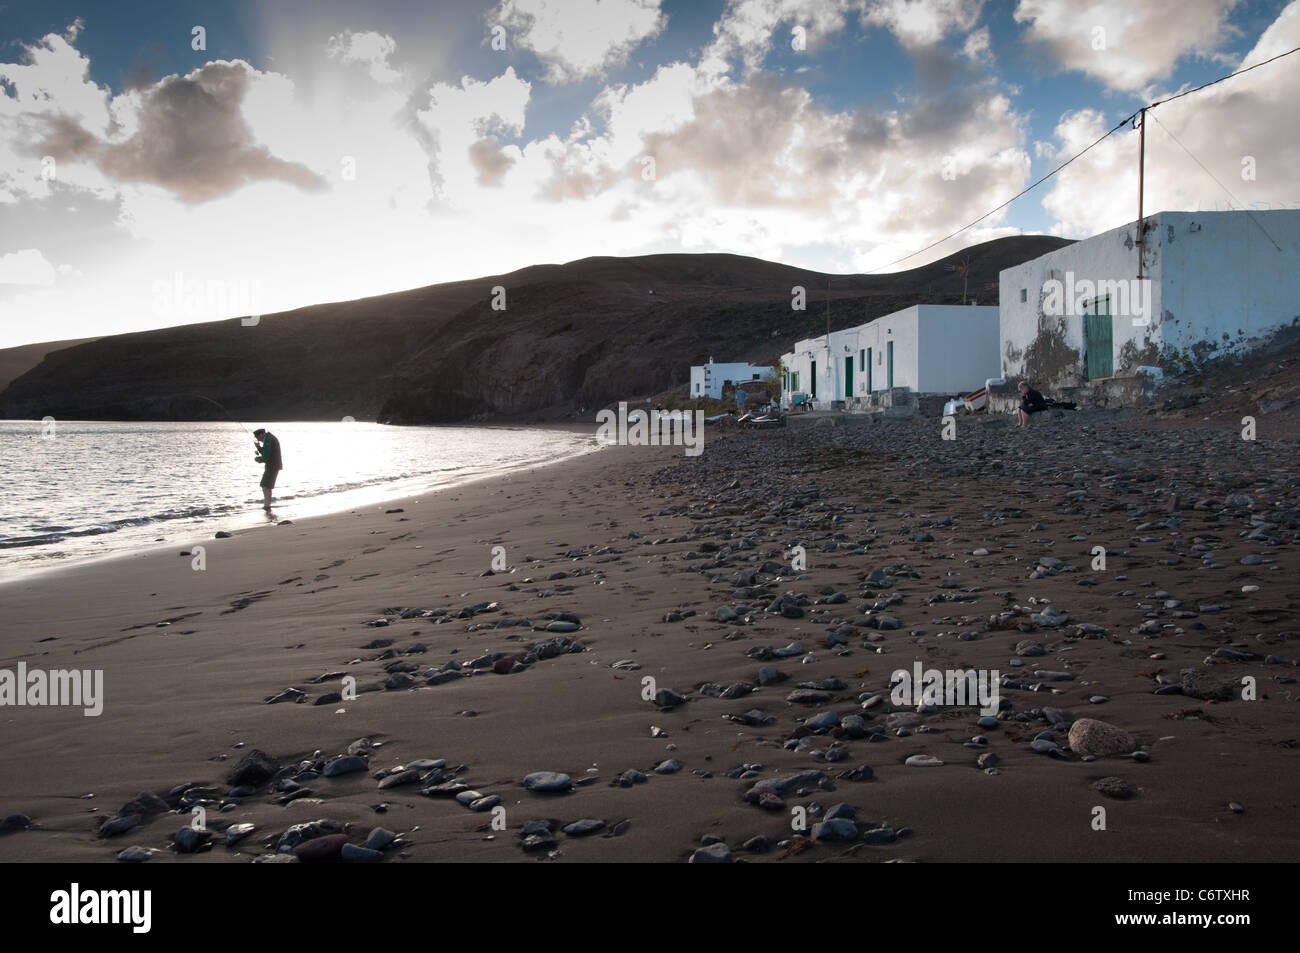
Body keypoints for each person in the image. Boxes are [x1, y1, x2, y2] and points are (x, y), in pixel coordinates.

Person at [252, 428, 282, 509]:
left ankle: (267, 504)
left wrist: (257, 459)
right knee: (268, 486)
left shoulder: (268, 440)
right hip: (274, 465)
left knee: (264, 485)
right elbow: (267, 452)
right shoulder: (269, 438)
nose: (258, 439)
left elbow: (265, 457)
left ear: (261, 434)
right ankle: (267, 504)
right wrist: (259, 448)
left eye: (257, 437)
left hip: (272, 466)